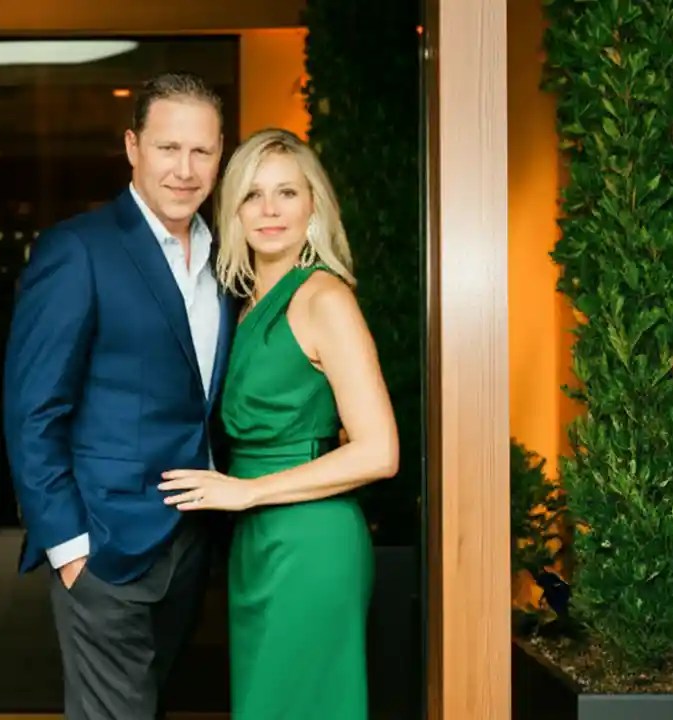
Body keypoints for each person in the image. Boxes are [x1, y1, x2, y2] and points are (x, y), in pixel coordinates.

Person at [2, 72, 231, 720]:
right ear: (133, 147)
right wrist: (70, 549)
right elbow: (34, 410)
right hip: (102, 547)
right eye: (167, 148)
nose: (184, 169)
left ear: (220, 154)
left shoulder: (226, 258)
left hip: (190, 547)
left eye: (202, 151)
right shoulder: (79, 250)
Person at [157, 128, 399, 719]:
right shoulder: (236, 306)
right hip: (257, 543)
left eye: (287, 193)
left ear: (313, 205)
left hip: (312, 542)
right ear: (232, 209)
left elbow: (379, 452)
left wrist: (248, 492)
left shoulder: (324, 300)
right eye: (253, 194)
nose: (269, 210)